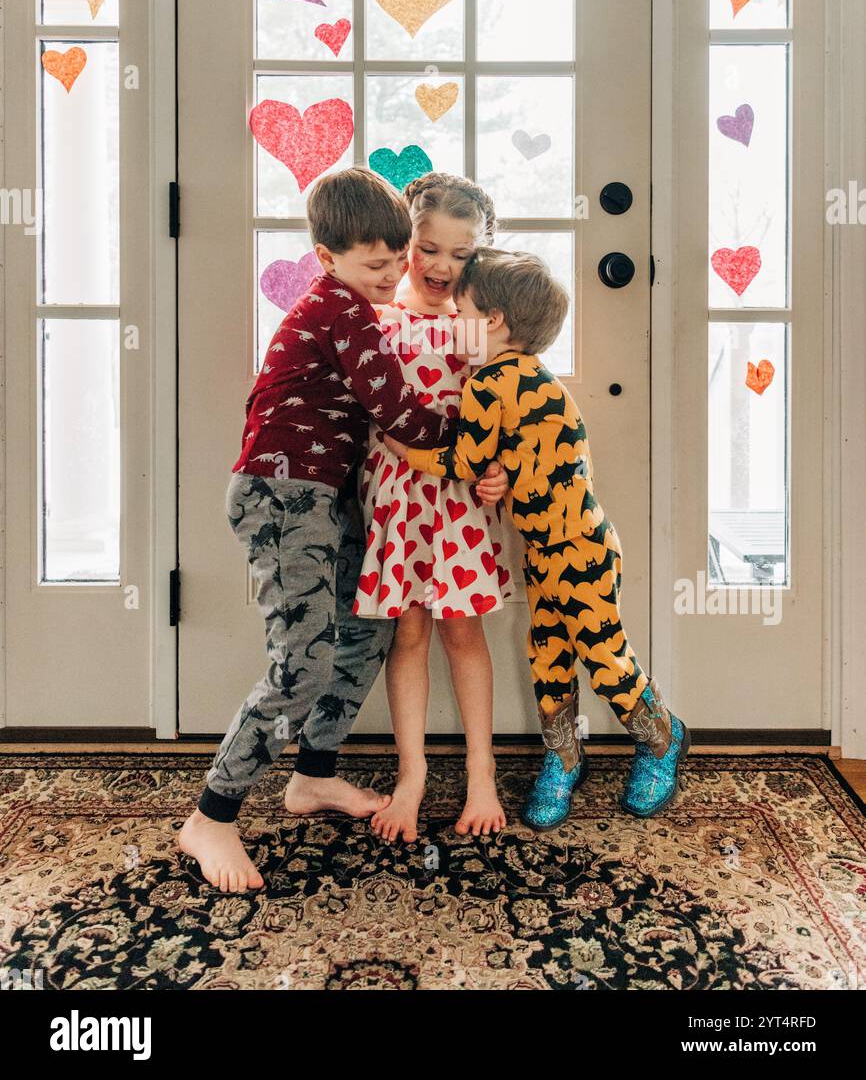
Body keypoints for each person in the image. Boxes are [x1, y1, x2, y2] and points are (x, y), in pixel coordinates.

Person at [177, 167, 506, 891]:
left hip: (332, 499)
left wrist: (496, 455)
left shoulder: (384, 308)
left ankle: (314, 777)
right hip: (284, 494)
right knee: (301, 662)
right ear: (327, 259)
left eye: (399, 259)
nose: (396, 274)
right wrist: (473, 448)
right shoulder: (343, 312)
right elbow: (402, 414)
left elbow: (482, 388)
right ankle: (212, 815)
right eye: (381, 263)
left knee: (365, 632)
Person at [384, 246, 691, 831]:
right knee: (547, 653)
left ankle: (660, 738)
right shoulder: (525, 378)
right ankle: (563, 756)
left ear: (492, 321)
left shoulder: (491, 384)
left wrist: (405, 449)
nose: (454, 320)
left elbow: (464, 460)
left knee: (603, 658)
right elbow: (507, 460)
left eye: (462, 310)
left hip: (579, 551)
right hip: (552, 552)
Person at [354, 173, 525, 843]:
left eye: (460, 254)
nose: (442, 267)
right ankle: (412, 774)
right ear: (405, 244)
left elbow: (507, 415)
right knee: (411, 632)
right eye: (428, 249)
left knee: (462, 632)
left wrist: (500, 471)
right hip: (398, 503)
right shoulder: (379, 320)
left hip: (455, 507)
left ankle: (481, 773)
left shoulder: (476, 330)